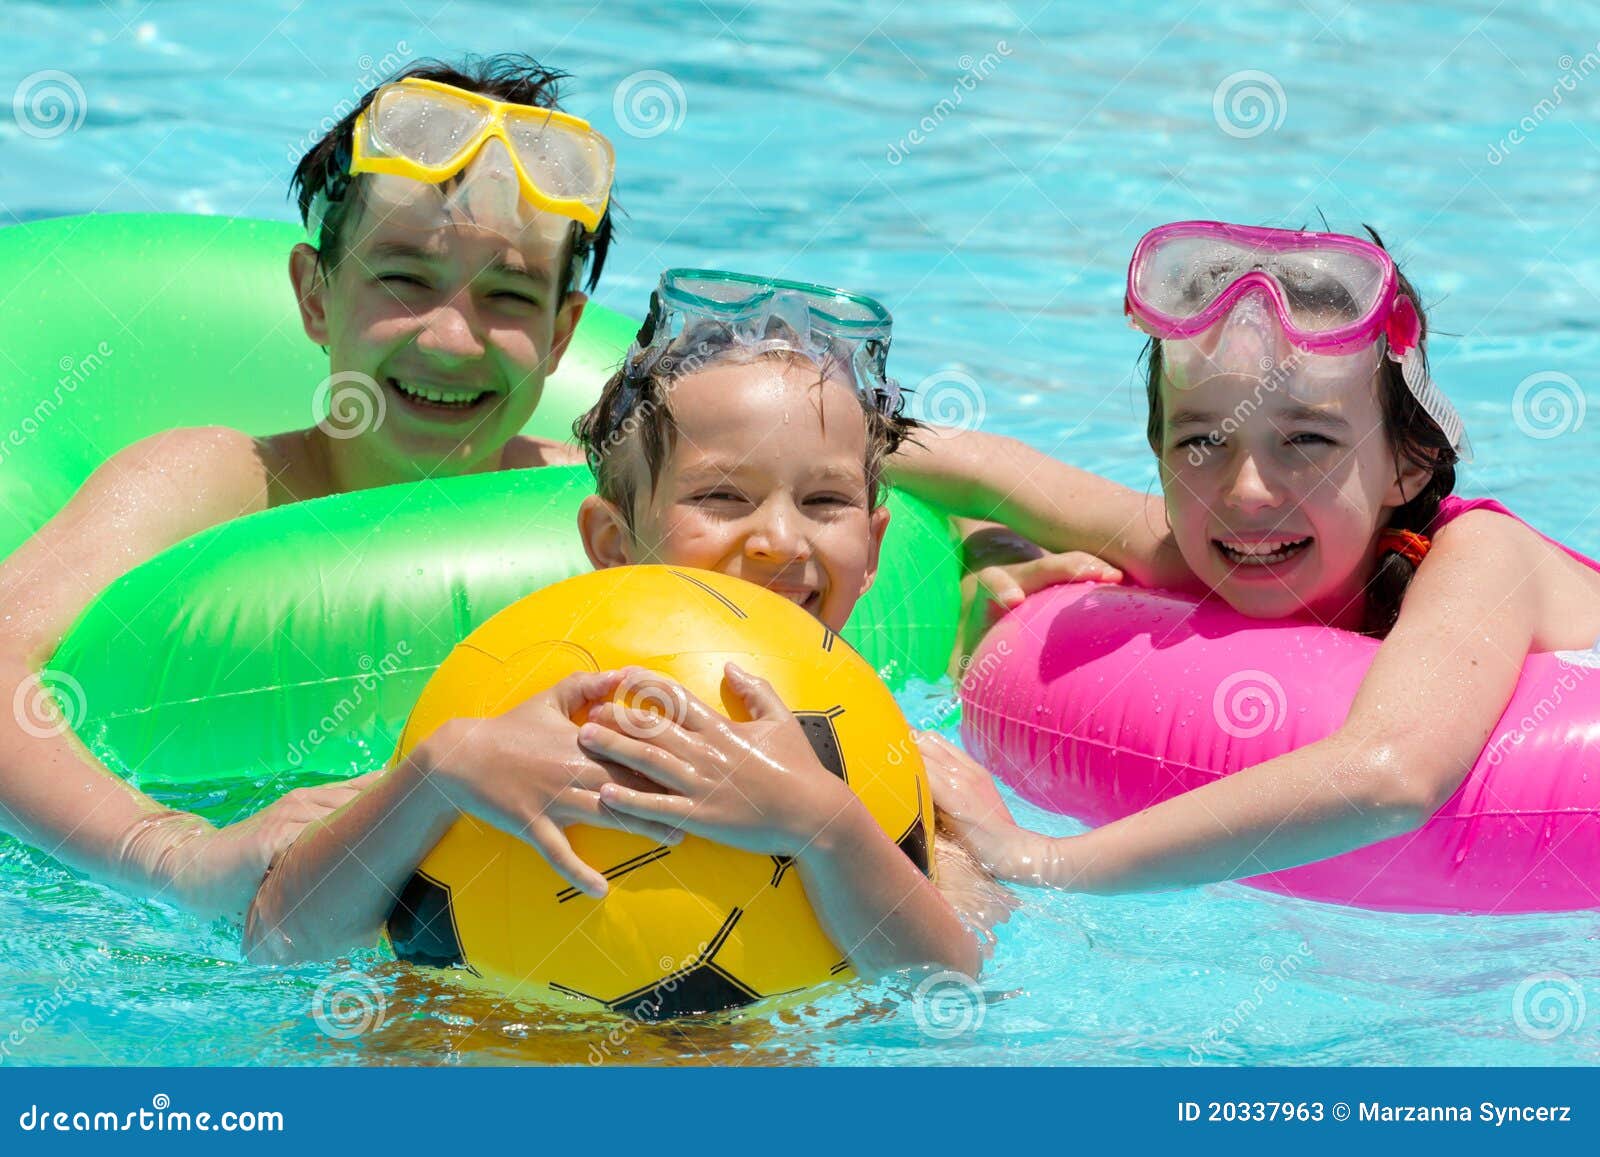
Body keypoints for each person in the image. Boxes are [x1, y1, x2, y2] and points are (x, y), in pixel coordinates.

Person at [245, 270, 1014, 979]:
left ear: (873, 545)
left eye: (824, 503)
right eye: (721, 497)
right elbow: (278, 940)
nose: (780, 539)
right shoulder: (513, 709)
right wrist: (438, 773)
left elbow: (951, 991)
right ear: (613, 543)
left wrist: (824, 825)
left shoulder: (892, 776)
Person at [0, 56, 617, 921]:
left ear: (562, 338)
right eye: (403, 278)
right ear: (314, 293)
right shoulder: (215, 483)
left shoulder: (598, 504)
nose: (451, 337)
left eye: (509, 296)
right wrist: (174, 850)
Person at [891, 218, 1600, 896]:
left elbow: (1396, 774)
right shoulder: (1213, 548)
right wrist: (994, 562)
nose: (1247, 491)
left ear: (1407, 467)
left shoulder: (1481, 558)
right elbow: (996, 478)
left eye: (1307, 442)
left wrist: (1042, 856)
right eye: (1203, 441)